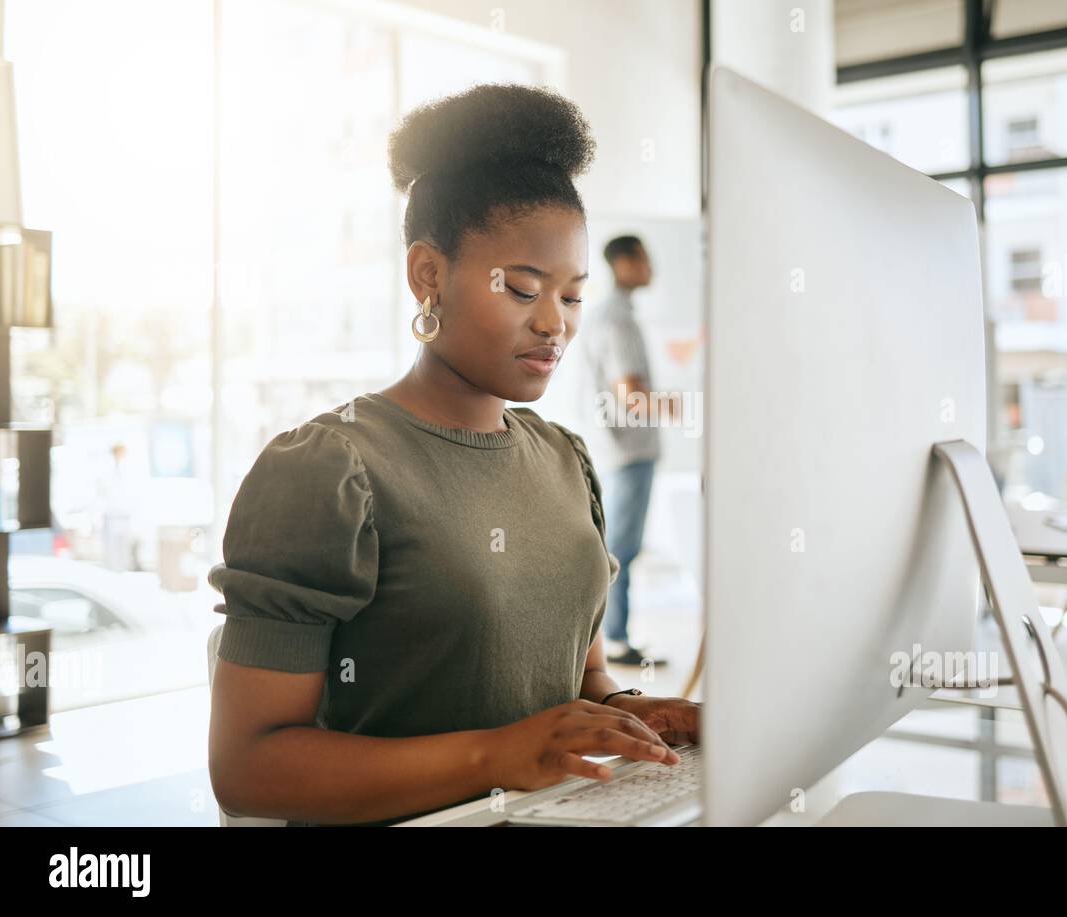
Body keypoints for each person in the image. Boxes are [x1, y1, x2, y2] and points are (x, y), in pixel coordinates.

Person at [206, 84, 700, 827]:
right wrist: (496, 754)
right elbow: (248, 768)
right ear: (428, 275)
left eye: (571, 297)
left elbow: (583, 676)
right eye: (523, 288)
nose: (552, 325)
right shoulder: (331, 469)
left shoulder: (566, 460)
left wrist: (633, 711)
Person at [582, 236, 676, 667]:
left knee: (619, 544)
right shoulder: (619, 321)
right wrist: (693, 406)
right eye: (645, 257)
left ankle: (614, 639)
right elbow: (631, 396)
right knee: (622, 547)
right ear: (624, 263)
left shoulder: (609, 316)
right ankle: (614, 641)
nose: (651, 266)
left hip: (620, 449)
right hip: (630, 450)